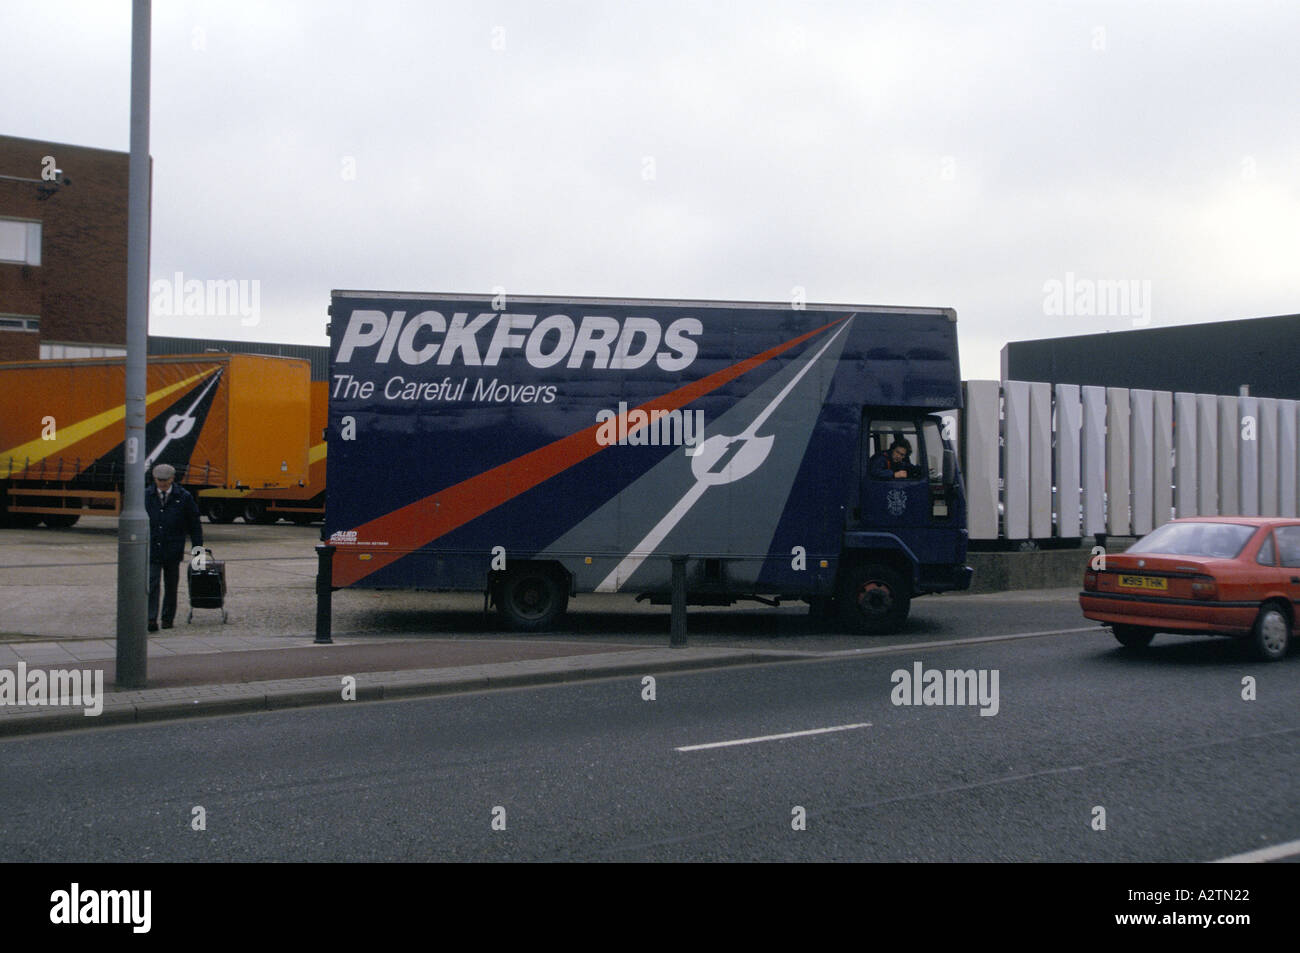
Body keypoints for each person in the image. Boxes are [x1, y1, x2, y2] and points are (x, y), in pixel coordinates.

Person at [145, 463, 203, 631]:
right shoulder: (146, 496)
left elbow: (194, 525)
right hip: (153, 549)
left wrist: (197, 551)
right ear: (154, 479)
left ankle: (167, 618)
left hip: (173, 549)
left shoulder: (183, 497)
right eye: (159, 480)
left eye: (165, 480)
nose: (162, 483)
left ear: (172, 479)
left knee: (171, 586)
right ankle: (151, 619)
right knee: (152, 583)